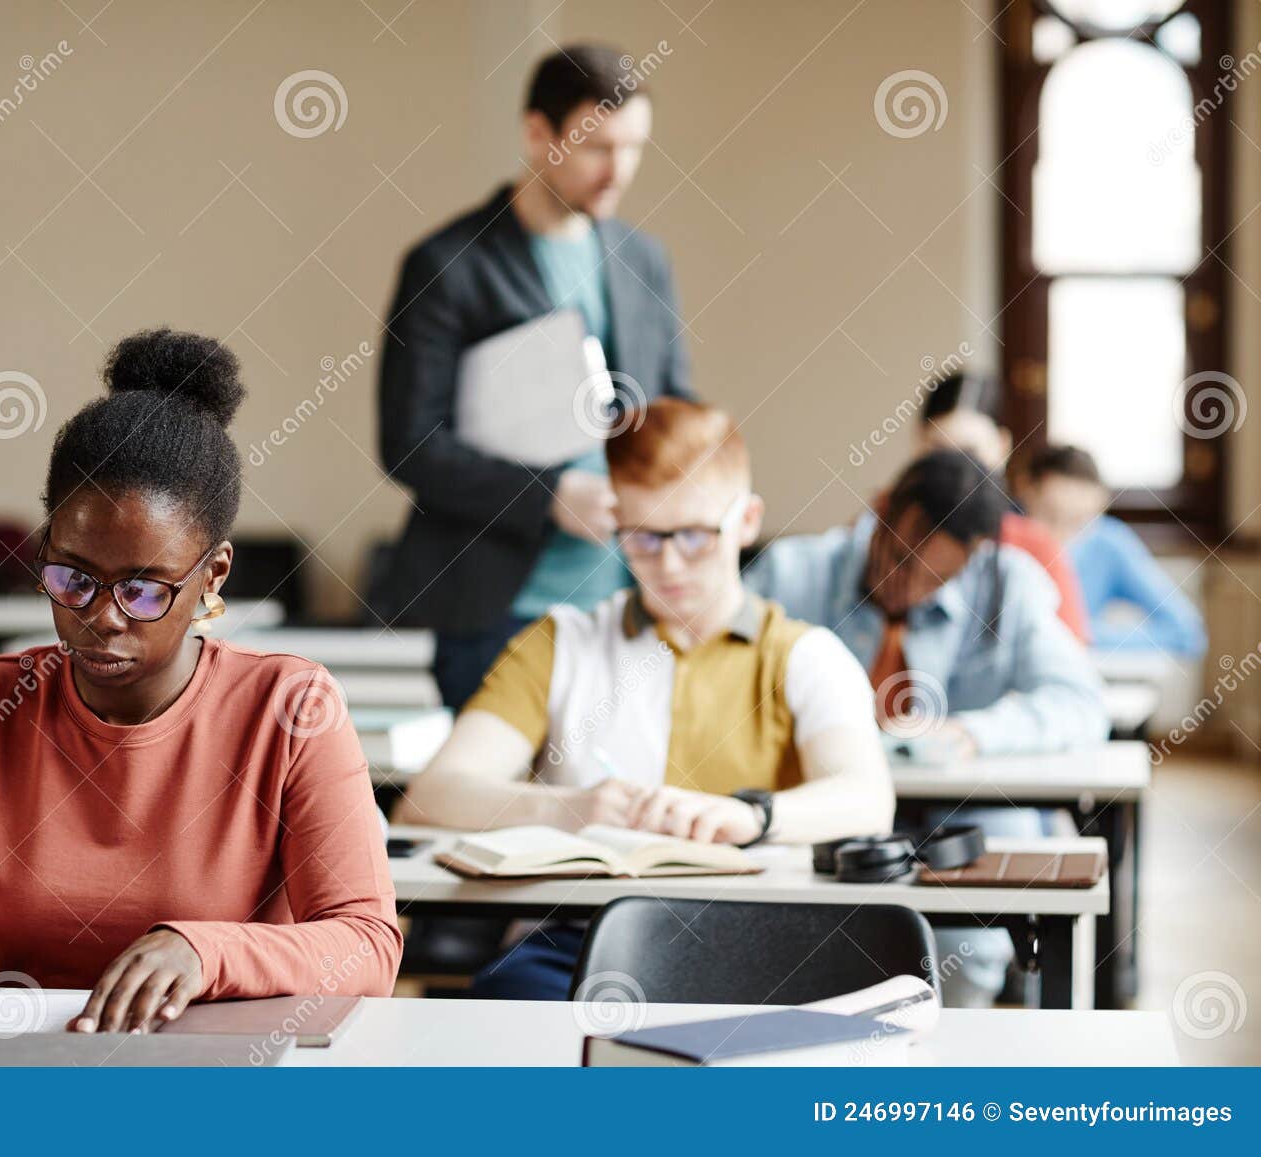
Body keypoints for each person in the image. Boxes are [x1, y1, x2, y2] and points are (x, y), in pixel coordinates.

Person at [0, 329, 401, 1030]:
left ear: (212, 577)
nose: (101, 618)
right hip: (34, 1065)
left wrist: (205, 950)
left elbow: (366, 945)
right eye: (73, 578)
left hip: (224, 1068)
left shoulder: (289, 707)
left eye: (143, 590)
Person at [395, 399, 894, 999]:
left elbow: (867, 800)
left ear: (748, 520)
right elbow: (430, 799)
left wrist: (753, 816)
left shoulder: (808, 656)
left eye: (695, 536)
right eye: (643, 538)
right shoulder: (559, 644)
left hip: (757, 940)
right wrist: (569, 809)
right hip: (578, 947)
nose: (669, 564)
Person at [378, 43, 693, 712]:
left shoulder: (644, 259)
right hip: (495, 611)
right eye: (598, 148)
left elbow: (674, 408)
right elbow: (409, 443)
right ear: (536, 134)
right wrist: (549, 495)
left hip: (626, 603)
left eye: (634, 148)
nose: (620, 171)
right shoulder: (446, 265)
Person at [746, 449, 1108, 1006]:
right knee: (779, 937)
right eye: (896, 556)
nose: (906, 586)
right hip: (820, 810)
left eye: (935, 577)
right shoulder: (792, 572)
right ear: (881, 510)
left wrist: (972, 733)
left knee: (975, 948)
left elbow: (1082, 702)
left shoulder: (1006, 584)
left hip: (956, 815)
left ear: (974, 558)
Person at [913, 371, 1091, 643]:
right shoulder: (884, 536)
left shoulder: (1034, 548)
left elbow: (1074, 657)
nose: (954, 470)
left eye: (970, 453)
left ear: (1002, 447)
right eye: (940, 451)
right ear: (919, 446)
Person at [1014, 443, 1206, 658]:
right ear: (1025, 492)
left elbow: (1186, 632)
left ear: (1099, 505)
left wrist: (1083, 633)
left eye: (1078, 523)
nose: (1057, 542)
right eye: (1049, 519)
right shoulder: (1002, 540)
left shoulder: (1109, 543)